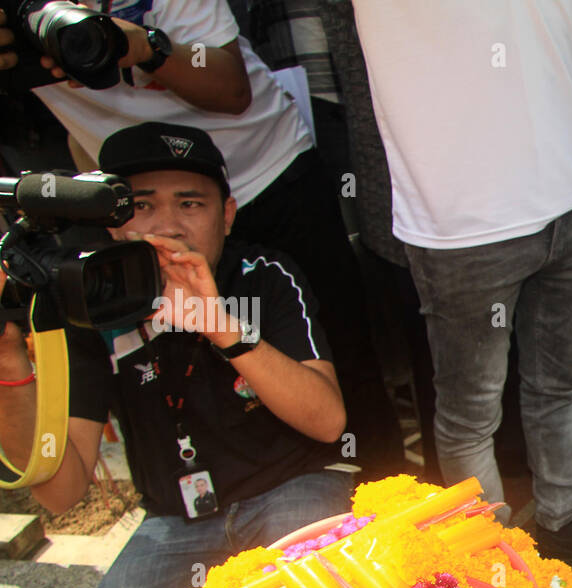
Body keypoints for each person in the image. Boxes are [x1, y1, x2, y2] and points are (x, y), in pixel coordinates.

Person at [0, 122, 353, 588]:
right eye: (141, 205)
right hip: (174, 521)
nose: (168, 224)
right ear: (110, 223)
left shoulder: (262, 273)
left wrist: (220, 325)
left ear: (227, 215)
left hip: (291, 488)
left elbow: (329, 423)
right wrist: (8, 365)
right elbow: (63, 493)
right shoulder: (88, 306)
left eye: (191, 203)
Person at [4, 0, 404, 479]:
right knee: (187, 367)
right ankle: (227, 500)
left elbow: (231, 86)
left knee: (334, 361)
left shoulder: (266, 265)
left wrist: (138, 46)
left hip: (263, 174)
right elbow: (59, 485)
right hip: (127, 193)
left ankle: (371, 497)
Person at [350, 1, 572, 575]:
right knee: (471, 413)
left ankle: (562, 515)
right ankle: (496, 563)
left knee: (560, 382)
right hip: (463, 215)